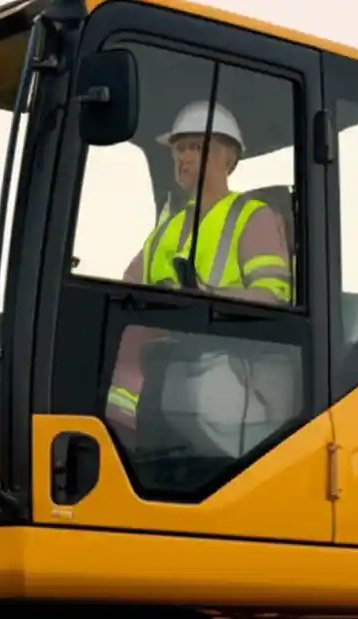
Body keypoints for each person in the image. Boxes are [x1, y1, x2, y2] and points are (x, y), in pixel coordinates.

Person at [105, 100, 296, 444]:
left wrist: (206, 296)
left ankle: (120, 428)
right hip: (163, 367)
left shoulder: (254, 217)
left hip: (228, 365)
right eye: (179, 148)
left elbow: (272, 296)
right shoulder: (168, 227)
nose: (183, 156)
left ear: (228, 157)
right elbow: (125, 291)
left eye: (196, 146)